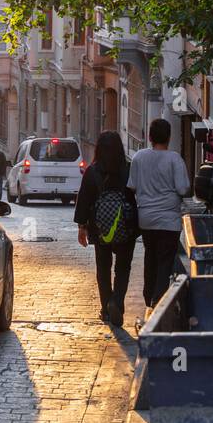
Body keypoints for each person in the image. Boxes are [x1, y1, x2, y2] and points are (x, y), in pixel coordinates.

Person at [75, 130, 138, 327]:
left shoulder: (92, 171)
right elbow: (136, 197)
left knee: (103, 268)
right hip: (125, 228)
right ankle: (116, 302)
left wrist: (82, 227)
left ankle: (106, 309)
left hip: (99, 228)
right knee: (123, 268)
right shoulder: (128, 170)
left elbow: (84, 200)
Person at [128, 118, 191, 311]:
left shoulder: (139, 157)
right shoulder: (174, 159)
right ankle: (159, 299)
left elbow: (131, 185)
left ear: (149, 136)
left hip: (146, 219)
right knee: (165, 260)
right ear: (169, 137)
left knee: (150, 257)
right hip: (169, 220)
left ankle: (149, 296)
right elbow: (183, 188)